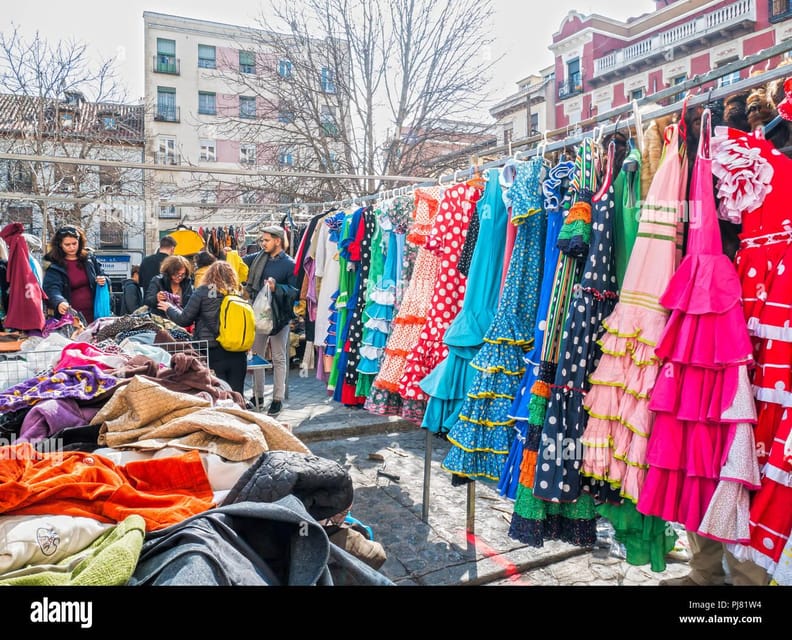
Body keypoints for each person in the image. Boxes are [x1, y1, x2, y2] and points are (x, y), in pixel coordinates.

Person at [157, 260, 247, 397]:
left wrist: (169, 309)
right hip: (238, 353)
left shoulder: (203, 292)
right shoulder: (237, 293)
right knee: (237, 395)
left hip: (211, 351)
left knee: (218, 394)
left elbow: (184, 319)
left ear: (209, 274)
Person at [245, 225, 298, 415]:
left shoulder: (290, 264)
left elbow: (295, 293)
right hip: (259, 317)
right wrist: (229, 254)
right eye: (262, 240)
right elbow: (241, 262)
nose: (262, 243)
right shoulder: (259, 258)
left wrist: (277, 288)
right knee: (256, 357)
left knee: (278, 358)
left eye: (266, 240)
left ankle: (278, 398)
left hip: (279, 318)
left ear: (278, 240)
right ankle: (257, 396)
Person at [42, 225, 107, 325]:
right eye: (67, 245)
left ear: (80, 242)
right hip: (70, 319)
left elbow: (103, 275)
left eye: (74, 243)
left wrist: (103, 279)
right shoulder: (53, 264)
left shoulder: (89, 258)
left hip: (95, 314)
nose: (72, 247)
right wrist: (59, 302)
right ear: (60, 245)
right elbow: (51, 288)